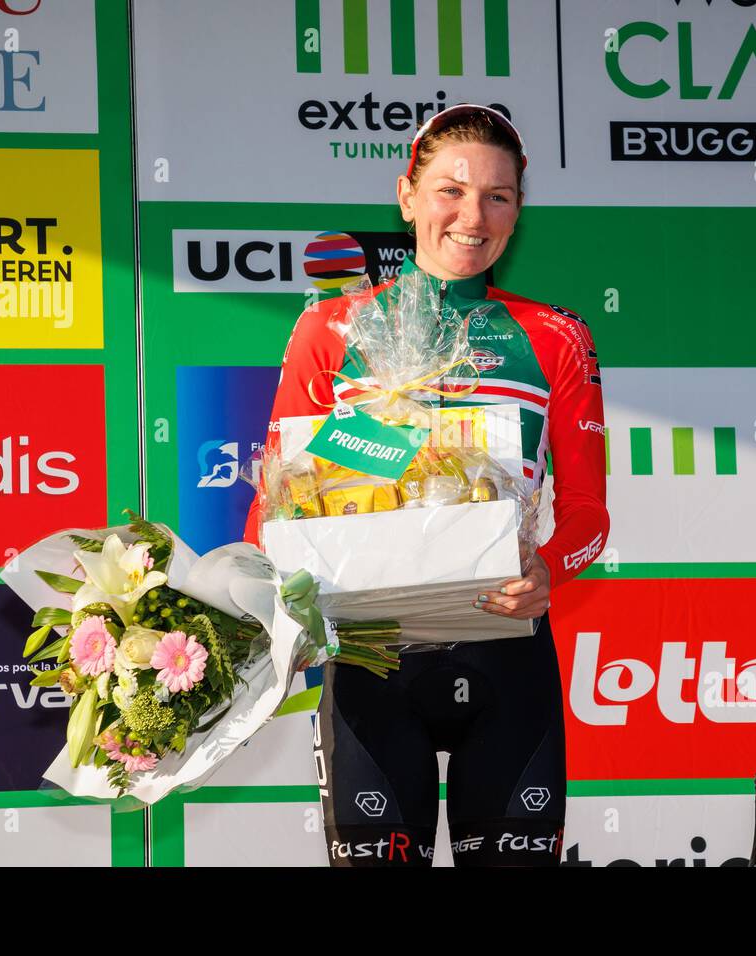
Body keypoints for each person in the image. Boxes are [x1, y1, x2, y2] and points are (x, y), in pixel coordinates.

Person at [242, 104, 609, 866]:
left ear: (518, 209)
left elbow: (588, 514)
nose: (473, 215)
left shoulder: (556, 336)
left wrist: (549, 568)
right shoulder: (332, 331)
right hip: (373, 662)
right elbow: (272, 509)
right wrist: (272, 609)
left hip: (506, 655)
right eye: (450, 189)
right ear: (406, 193)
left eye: (498, 196)